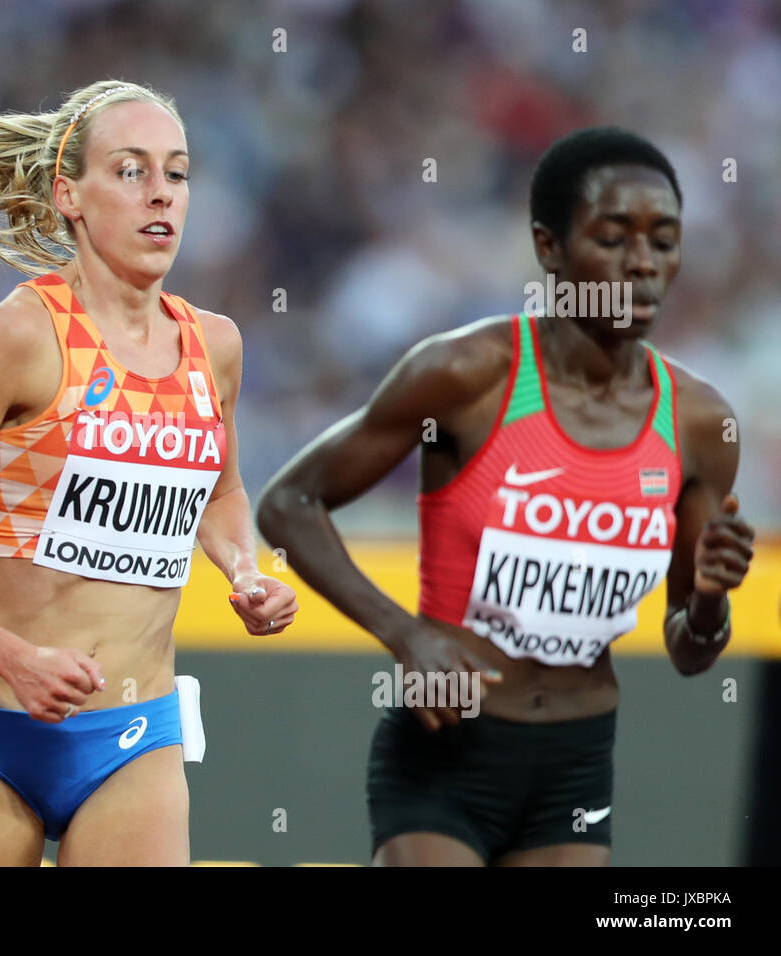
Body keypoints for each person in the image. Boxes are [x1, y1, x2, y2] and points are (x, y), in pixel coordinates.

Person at [256, 127, 754, 866]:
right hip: (447, 748)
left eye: (665, 240)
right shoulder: (466, 375)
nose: (644, 263)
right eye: (614, 238)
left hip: (577, 762)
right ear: (549, 248)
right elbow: (288, 504)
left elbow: (689, 650)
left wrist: (711, 601)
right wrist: (408, 636)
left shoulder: (700, 424)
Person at [0, 79, 297, 866]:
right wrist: (13, 657)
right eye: (131, 171)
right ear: (70, 194)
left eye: (178, 172)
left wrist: (242, 568)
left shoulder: (215, 345)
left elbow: (221, 489)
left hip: (135, 733)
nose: (161, 194)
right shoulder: (21, 335)